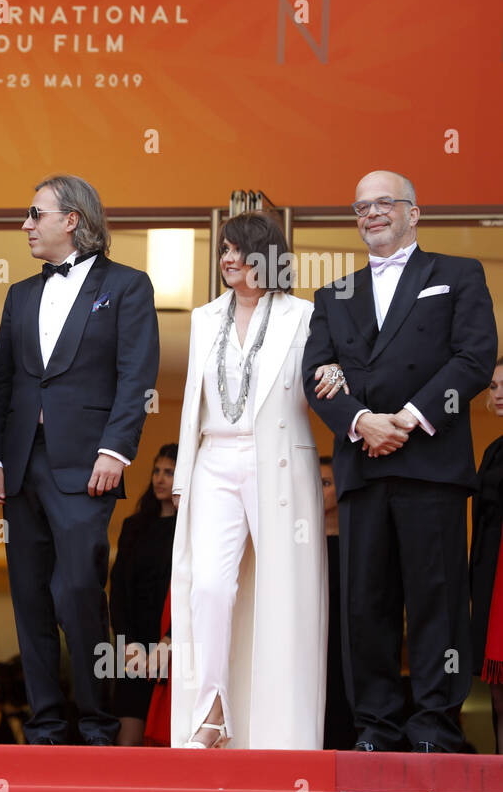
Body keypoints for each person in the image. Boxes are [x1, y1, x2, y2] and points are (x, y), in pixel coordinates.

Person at [304, 170, 496, 753]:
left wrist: (408, 418)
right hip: (363, 466)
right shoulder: (332, 294)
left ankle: (436, 724)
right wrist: (362, 423)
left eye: (385, 202)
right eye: (361, 206)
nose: (372, 213)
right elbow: (318, 377)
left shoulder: (459, 274)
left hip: (430, 464)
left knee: (437, 601)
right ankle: (377, 728)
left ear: (415, 212)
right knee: (366, 604)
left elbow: (473, 357)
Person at [0, 174, 159, 746]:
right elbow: (2, 381)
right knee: (30, 596)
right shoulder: (19, 295)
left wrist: (115, 449)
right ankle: (45, 726)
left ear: (73, 220)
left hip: (87, 466)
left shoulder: (129, 287)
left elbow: (136, 376)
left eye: (36, 214)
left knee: (79, 591)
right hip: (20, 465)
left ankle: (96, 722)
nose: (26, 225)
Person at [170, 211, 327, 749]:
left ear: (267, 257)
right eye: (224, 250)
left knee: (284, 591)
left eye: (239, 250)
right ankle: (211, 711)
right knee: (208, 587)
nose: (228, 259)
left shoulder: (304, 316)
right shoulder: (201, 318)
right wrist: (184, 476)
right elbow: (194, 402)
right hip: (215, 458)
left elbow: (319, 385)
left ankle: (284, 728)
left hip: (278, 459)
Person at [109, 443, 178, 746]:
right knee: (127, 741)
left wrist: (171, 638)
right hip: (133, 645)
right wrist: (126, 642)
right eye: (157, 471)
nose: (160, 479)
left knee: (168, 737)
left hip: (173, 644)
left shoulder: (192, 527)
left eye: (170, 473)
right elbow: (119, 589)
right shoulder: (134, 526)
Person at [469, 359, 503, 752]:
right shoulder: (493, 450)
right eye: (492, 387)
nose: (498, 393)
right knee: (498, 691)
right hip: (491, 582)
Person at [319, 455, 356, 750]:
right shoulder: (298, 546)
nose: (319, 490)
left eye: (326, 483)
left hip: (349, 649)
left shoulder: (358, 546)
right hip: (311, 650)